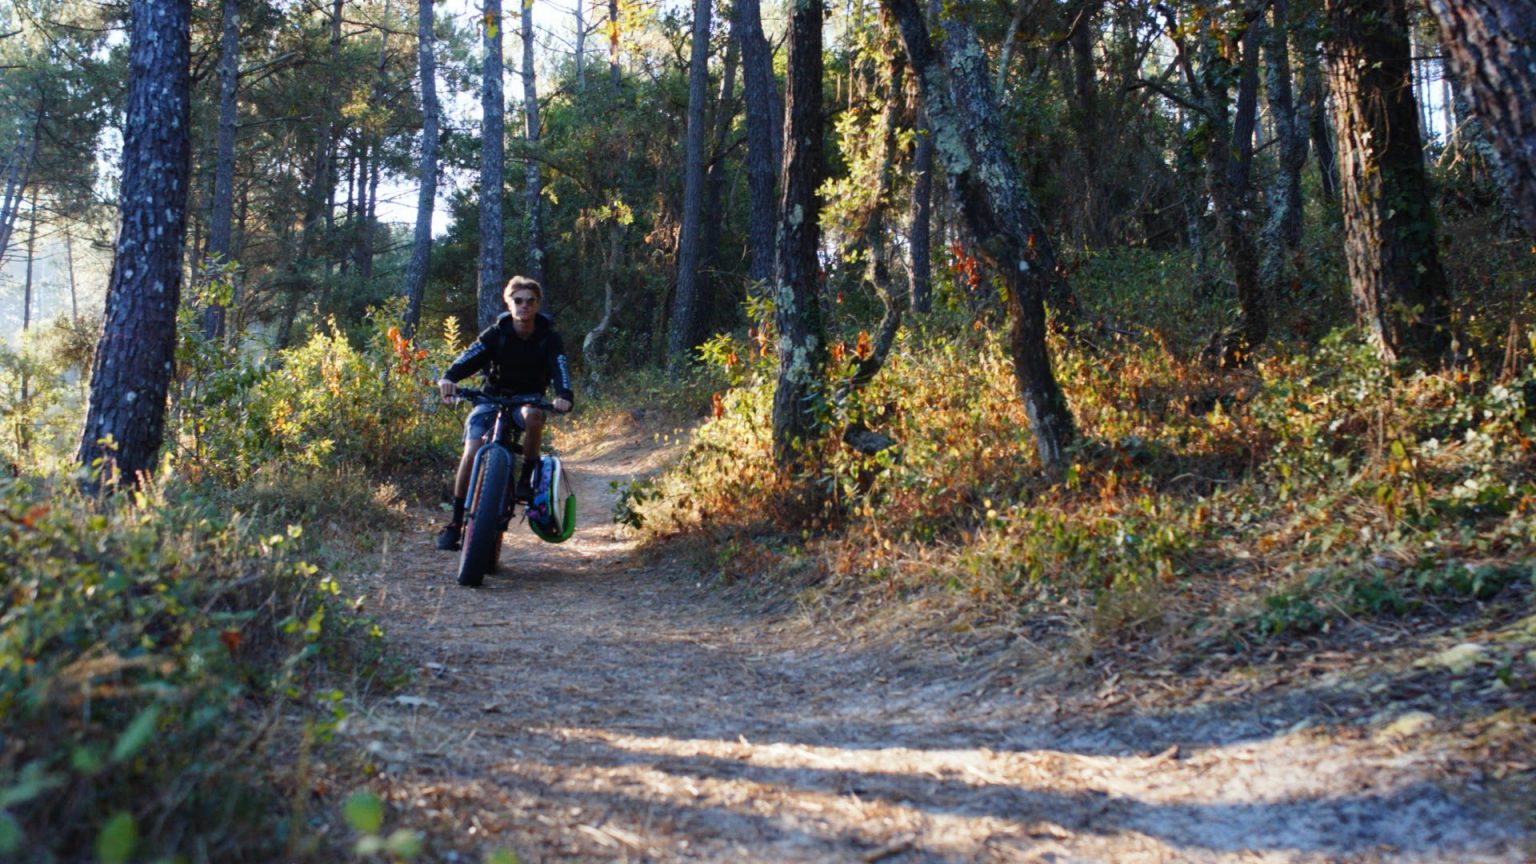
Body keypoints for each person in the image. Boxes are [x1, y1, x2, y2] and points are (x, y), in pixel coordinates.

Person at [435, 276, 574, 550]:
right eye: (518, 300)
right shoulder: (495, 334)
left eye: (530, 301)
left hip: (528, 400)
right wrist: (448, 379)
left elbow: (560, 369)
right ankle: (455, 522)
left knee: (533, 416)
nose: (524, 306)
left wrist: (564, 396)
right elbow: (467, 360)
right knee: (472, 451)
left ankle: (526, 480)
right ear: (508, 303)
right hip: (490, 399)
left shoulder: (549, 337)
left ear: (537, 304)